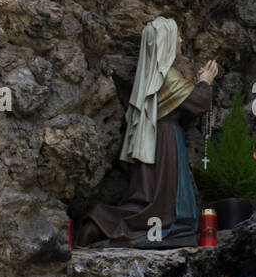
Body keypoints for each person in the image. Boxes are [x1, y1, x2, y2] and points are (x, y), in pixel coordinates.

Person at [76, 17, 218, 247]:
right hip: (164, 140)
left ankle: (104, 224)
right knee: (158, 203)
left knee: (150, 197)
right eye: (177, 36)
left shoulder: (153, 74)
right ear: (167, 41)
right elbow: (197, 102)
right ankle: (102, 222)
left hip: (155, 137)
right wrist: (205, 81)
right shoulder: (166, 75)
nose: (181, 39)